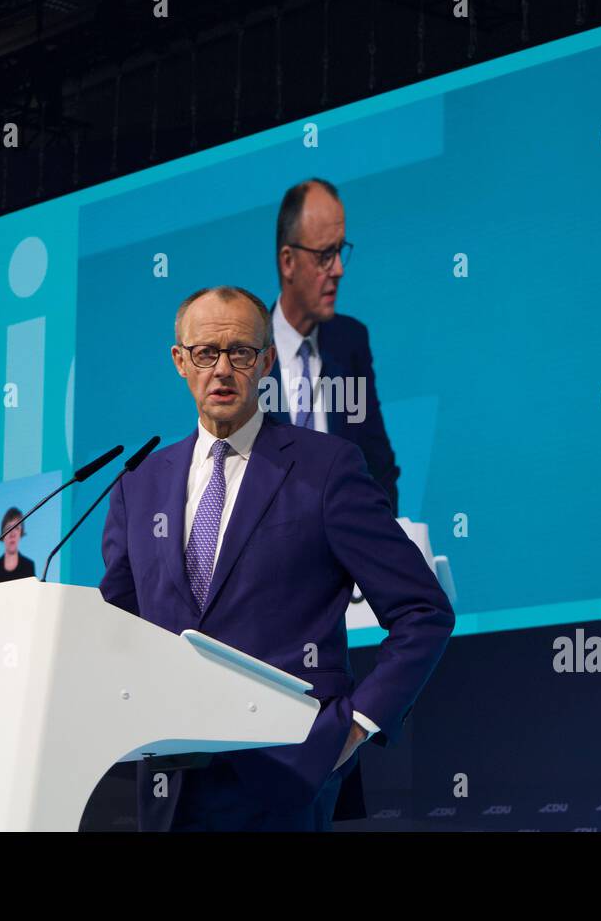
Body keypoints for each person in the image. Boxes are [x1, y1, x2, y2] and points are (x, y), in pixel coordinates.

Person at [99, 285, 454, 831]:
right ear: (180, 361)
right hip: (169, 785)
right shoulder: (137, 485)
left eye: (240, 352)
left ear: (266, 362)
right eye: (205, 353)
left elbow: (423, 611)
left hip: (286, 775)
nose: (222, 369)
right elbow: (121, 629)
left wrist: (350, 729)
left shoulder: (326, 467)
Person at [266, 177, 402, 514]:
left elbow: (378, 468)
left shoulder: (349, 343)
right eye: (325, 255)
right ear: (288, 262)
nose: (339, 270)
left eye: (340, 251)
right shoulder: (246, 355)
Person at [0, 507, 35, 584]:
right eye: (8, 528)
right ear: (2, 535)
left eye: (16, 528)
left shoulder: (28, 566)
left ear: (21, 533)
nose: (12, 534)